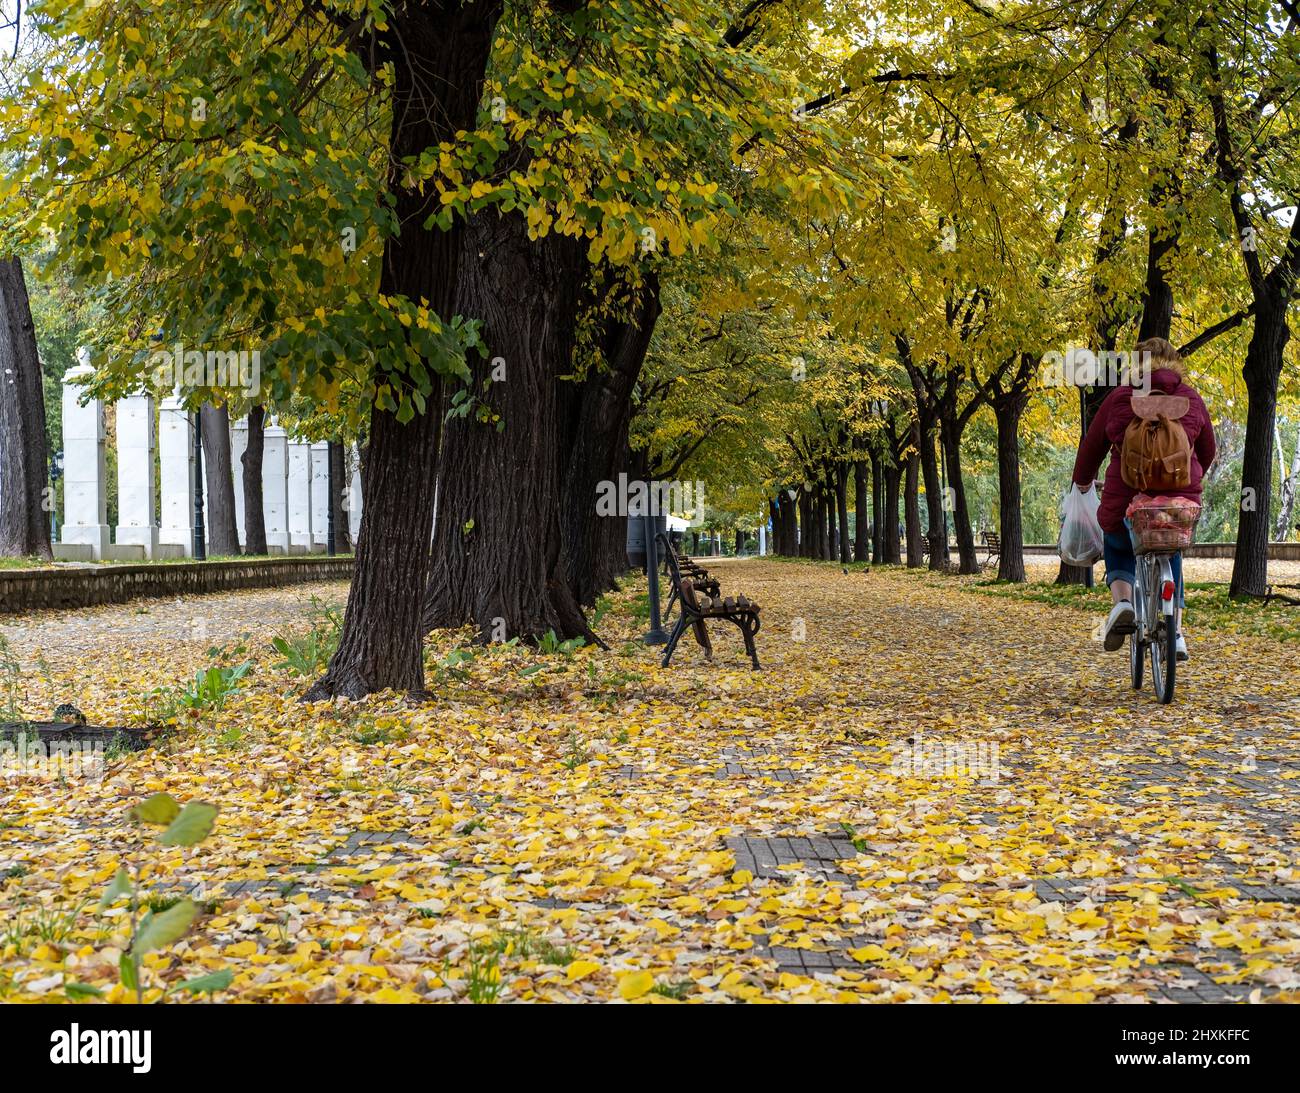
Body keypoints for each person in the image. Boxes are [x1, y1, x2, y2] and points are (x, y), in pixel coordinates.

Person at [1070, 337, 1216, 660]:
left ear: (1136, 366)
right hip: (1175, 504)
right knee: (1170, 543)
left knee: (1117, 539)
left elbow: (1092, 446)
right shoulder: (1190, 398)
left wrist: (1081, 483)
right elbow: (1209, 451)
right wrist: (1188, 480)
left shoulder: (1120, 397)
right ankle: (1175, 632)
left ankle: (1123, 602)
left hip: (1127, 499)